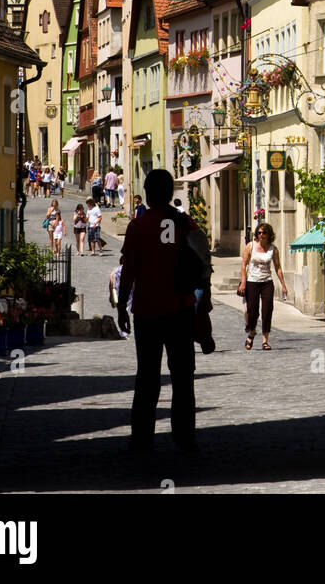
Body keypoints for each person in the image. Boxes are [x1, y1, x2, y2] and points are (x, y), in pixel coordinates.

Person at [117, 170, 201, 454]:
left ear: (148, 194)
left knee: (147, 378)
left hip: (147, 311)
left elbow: (128, 271)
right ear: (169, 193)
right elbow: (203, 265)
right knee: (182, 377)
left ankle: (141, 439)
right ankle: (185, 437)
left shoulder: (137, 227)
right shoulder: (185, 223)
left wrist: (121, 306)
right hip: (181, 309)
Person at [238, 221, 288, 351]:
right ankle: (251, 333)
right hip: (252, 281)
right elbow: (243, 265)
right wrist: (243, 282)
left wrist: (283, 285)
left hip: (267, 282)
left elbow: (278, 267)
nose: (261, 235)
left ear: (269, 234)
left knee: (267, 311)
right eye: (259, 232)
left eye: (264, 232)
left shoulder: (273, 249)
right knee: (252, 311)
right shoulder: (250, 246)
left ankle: (265, 341)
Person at [109, 256, 131, 338]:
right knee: (127, 312)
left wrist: (111, 293)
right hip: (129, 294)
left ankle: (123, 332)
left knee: (121, 313)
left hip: (118, 294)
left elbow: (111, 282)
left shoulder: (115, 270)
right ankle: (124, 332)